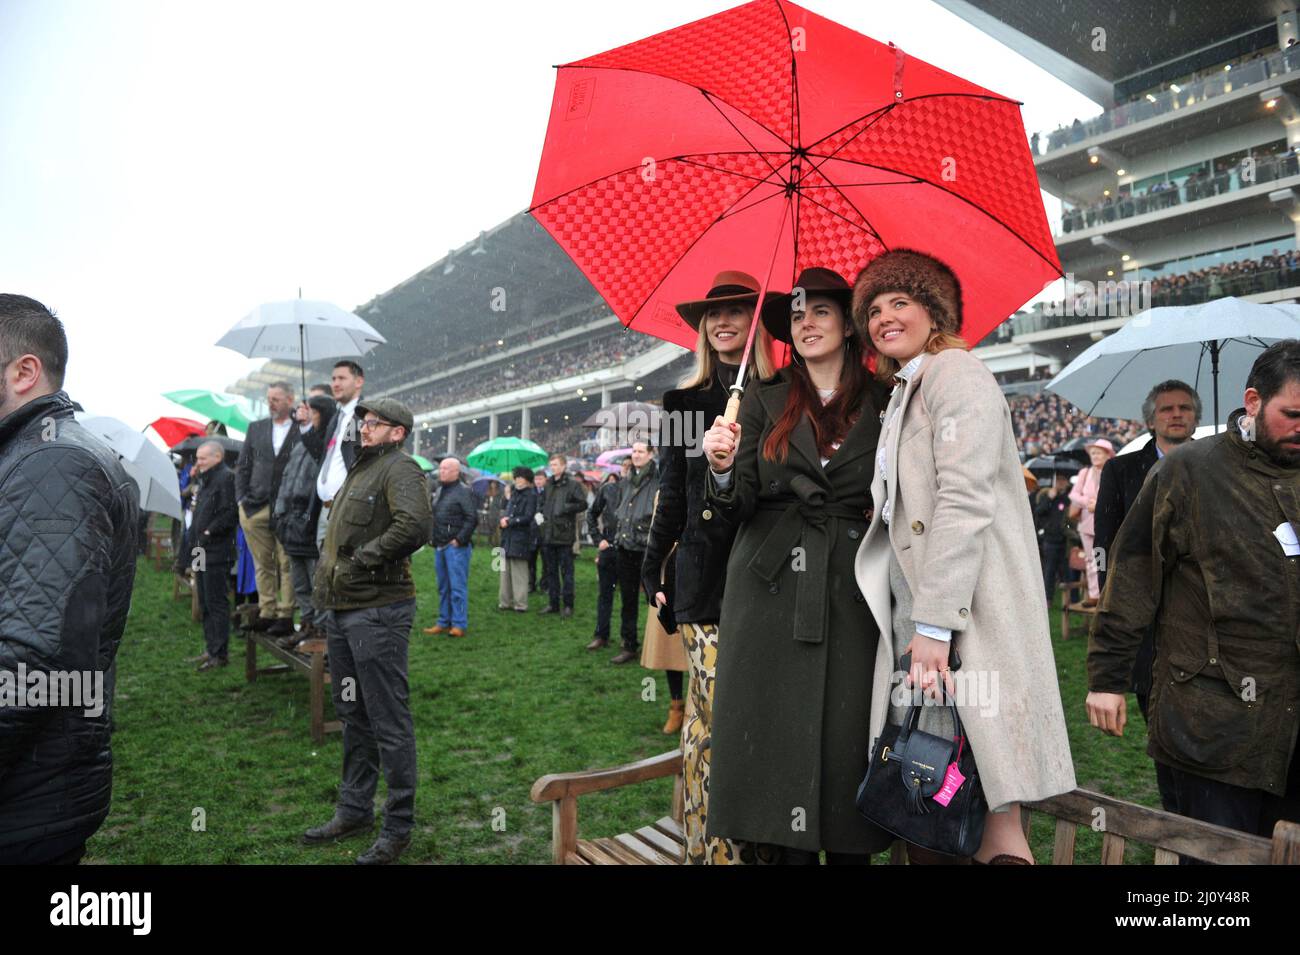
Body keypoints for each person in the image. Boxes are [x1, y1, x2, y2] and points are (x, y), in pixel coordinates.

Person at [852, 250, 1076, 864]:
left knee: (982, 816)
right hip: (931, 622)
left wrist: (932, 625)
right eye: (872, 309)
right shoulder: (907, 388)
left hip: (963, 621)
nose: (884, 317)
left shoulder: (956, 372)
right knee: (944, 796)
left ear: (933, 311)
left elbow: (964, 499)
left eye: (900, 302)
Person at [700, 266, 893, 863]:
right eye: (797, 314)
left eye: (821, 312)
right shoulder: (763, 397)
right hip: (768, 584)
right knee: (767, 725)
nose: (806, 323)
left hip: (854, 583)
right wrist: (724, 465)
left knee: (846, 728)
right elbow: (735, 504)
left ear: (848, 324)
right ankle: (771, 847)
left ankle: (849, 842)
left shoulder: (888, 399)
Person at [1087, 341, 1300, 843]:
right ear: (1253, 401)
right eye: (1292, 414)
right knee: (1214, 868)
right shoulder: (1190, 471)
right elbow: (1134, 575)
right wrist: (1107, 678)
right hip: (1213, 719)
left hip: (1294, 724)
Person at [640, 269, 774, 862]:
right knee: (716, 716)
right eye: (711, 314)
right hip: (701, 577)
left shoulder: (782, 394)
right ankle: (712, 850)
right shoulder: (683, 404)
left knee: (727, 716)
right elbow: (672, 492)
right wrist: (651, 567)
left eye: (736, 311)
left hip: (768, 573)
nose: (721, 321)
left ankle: (738, 844)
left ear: (756, 323)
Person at [0, 295, 139, 864]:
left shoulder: (54, 463)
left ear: (24, 370)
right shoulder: (31, 455)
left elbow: (36, 657)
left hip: (27, 802)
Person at [306, 397, 432, 865]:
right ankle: (354, 810)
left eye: (373, 423)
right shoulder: (361, 468)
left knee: (387, 719)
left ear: (397, 432)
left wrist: (365, 557)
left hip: (378, 611)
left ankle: (397, 828)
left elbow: (416, 525)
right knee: (353, 712)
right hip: (342, 610)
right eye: (362, 422)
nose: (364, 428)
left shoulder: (400, 469)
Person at [1093, 380, 1198, 726]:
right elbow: (1104, 544)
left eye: (1185, 407)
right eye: (1167, 409)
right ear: (1151, 420)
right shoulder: (1120, 471)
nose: (1177, 414)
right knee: (1161, 725)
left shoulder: (1222, 468)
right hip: (1145, 618)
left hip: (1205, 619)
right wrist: (1109, 597)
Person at [272, 393, 336, 647]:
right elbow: (286, 480)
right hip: (291, 523)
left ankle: (321, 628)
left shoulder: (325, 446)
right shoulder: (299, 445)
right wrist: (279, 513)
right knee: (300, 582)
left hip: (310, 521)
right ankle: (308, 624)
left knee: (317, 581)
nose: (302, 413)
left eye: (310, 410)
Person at [236, 381, 300, 637]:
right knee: (263, 562)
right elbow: (243, 466)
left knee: (287, 563)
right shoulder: (256, 428)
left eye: (276, 398)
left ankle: (286, 614)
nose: (270, 402)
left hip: (288, 508)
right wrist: (241, 498)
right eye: (268, 398)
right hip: (254, 507)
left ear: (290, 399)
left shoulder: (303, 427)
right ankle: (267, 611)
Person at [609, 440, 660, 665]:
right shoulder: (626, 480)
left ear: (651, 454)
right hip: (625, 547)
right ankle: (629, 644)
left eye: (641, 451)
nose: (636, 455)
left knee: (655, 599)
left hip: (648, 549)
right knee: (628, 599)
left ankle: (659, 646)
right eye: (634, 451)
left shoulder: (659, 479)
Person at [189, 439, 239, 669]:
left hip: (216, 550)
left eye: (202, 458)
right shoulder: (204, 479)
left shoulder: (227, 477)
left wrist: (210, 531)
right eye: (197, 458)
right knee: (204, 602)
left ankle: (220, 654)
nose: (198, 463)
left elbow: (231, 512)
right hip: (200, 549)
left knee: (216, 602)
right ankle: (210, 648)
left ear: (217, 457)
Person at [423, 456, 476, 638]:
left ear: (456, 472)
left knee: (457, 587)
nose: (441, 471)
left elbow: (472, 518)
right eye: (441, 468)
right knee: (443, 587)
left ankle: (459, 624)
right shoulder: (439, 490)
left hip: (456, 548)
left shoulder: (464, 491)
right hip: (440, 545)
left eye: (446, 468)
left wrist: (459, 540)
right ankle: (444, 621)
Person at [315, 360, 364, 552]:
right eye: (333, 379)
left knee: (343, 567)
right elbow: (323, 456)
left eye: (342, 378)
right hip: (325, 507)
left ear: (359, 381)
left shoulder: (364, 415)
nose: (335, 383)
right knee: (323, 568)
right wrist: (306, 428)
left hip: (347, 506)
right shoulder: (336, 418)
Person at [536, 453, 586, 617]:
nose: (553, 467)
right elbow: (541, 503)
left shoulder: (572, 485)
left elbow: (582, 504)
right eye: (551, 464)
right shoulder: (548, 484)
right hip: (549, 534)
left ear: (564, 466)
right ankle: (553, 603)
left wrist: (566, 507)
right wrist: (540, 518)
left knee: (567, 573)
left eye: (556, 464)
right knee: (551, 572)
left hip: (564, 535)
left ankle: (568, 604)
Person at [1068, 436, 1115, 605]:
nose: (1095, 456)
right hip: (1087, 524)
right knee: (1092, 559)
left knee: (1103, 558)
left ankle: (1105, 593)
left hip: (1106, 523)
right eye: (1093, 453)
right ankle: (1095, 594)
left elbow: (1117, 496)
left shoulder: (1113, 471)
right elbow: (1073, 494)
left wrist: (1100, 504)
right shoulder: (1085, 472)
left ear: (1108, 454)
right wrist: (1087, 503)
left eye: (1098, 453)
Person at [585, 471, 621, 649]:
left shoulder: (639, 490)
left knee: (630, 600)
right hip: (608, 549)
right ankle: (601, 634)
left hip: (630, 550)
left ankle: (629, 640)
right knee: (604, 595)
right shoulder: (607, 490)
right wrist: (598, 539)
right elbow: (591, 514)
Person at [498, 466, 536, 612]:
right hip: (507, 537)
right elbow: (508, 511)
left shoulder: (531, 496)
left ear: (527, 480)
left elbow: (528, 517)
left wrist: (510, 521)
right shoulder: (513, 494)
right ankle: (504, 601)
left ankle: (520, 604)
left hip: (520, 537)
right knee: (504, 571)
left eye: (521, 477)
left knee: (519, 572)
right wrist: (504, 520)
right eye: (516, 477)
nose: (518, 480)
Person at [1033, 470, 1074, 603]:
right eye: (1058, 480)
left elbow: (1070, 520)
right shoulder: (1047, 496)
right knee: (1049, 571)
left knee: (1067, 571)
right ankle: (1047, 599)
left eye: (1063, 480)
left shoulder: (1068, 498)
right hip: (1050, 539)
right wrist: (1049, 498)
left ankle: (1072, 599)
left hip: (1065, 540)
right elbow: (1039, 511)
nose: (1060, 483)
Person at [529, 470, 548, 593]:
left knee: (546, 561)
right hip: (532, 530)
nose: (538, 482)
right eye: (536, 479)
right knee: (531, 560)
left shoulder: (549, 493)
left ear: (545, 479)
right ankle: (531, 584)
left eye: (540, 479)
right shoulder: (531, 493)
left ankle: (545, 584)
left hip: (545, 531)